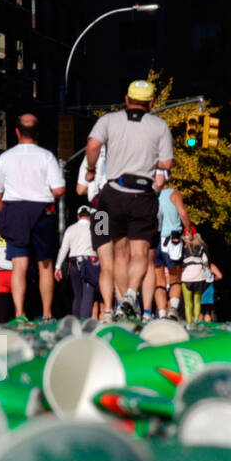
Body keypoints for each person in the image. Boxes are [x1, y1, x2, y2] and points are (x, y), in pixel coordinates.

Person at [85, 80, 174, 320]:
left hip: (108, 200)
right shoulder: (159, 126)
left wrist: (91, 169)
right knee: (140, 253)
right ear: (152, 103)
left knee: (113, 258)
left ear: (126, 99)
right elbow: (166, 164)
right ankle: (131, 296)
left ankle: (110, 307)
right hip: (142, 195)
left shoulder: (108, 121)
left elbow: (92, 146)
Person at [0, 113, 65, 320]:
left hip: (14, 210)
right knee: (45, 264)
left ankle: (20, 313)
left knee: (18, 265)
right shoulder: (47, 156)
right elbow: (59, 189)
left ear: (16, 132)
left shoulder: (5, 158)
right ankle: (47, 313)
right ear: (37, 133)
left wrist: (7, 214)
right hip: (42, 212)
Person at [151, 176, 192, 319]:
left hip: (155, 240)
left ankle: (161, 313)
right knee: (175, 277)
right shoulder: (174, 194)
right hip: (171, 240)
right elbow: (182, 212)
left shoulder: (150, 195)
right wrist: (190, 230)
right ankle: (173, 309)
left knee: (159, 279)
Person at [56, 206, 100, 320]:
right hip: (90, 261)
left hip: (74, 263)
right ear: (90, 216)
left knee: (77, 295)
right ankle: (84, 322)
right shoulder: (94, 228)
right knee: (88, 294)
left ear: (78, 216)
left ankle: (76, 321)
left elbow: (63, 249)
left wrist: (58, 267)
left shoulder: (70, 229)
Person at [180, 231, 221, 323]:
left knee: (187, 303)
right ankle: (196, 322)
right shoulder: (201, 247)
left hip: (186, 277)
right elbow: (206, 261)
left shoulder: (183, 248)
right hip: (199, 277)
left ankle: (189, 322)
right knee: (197, 301)